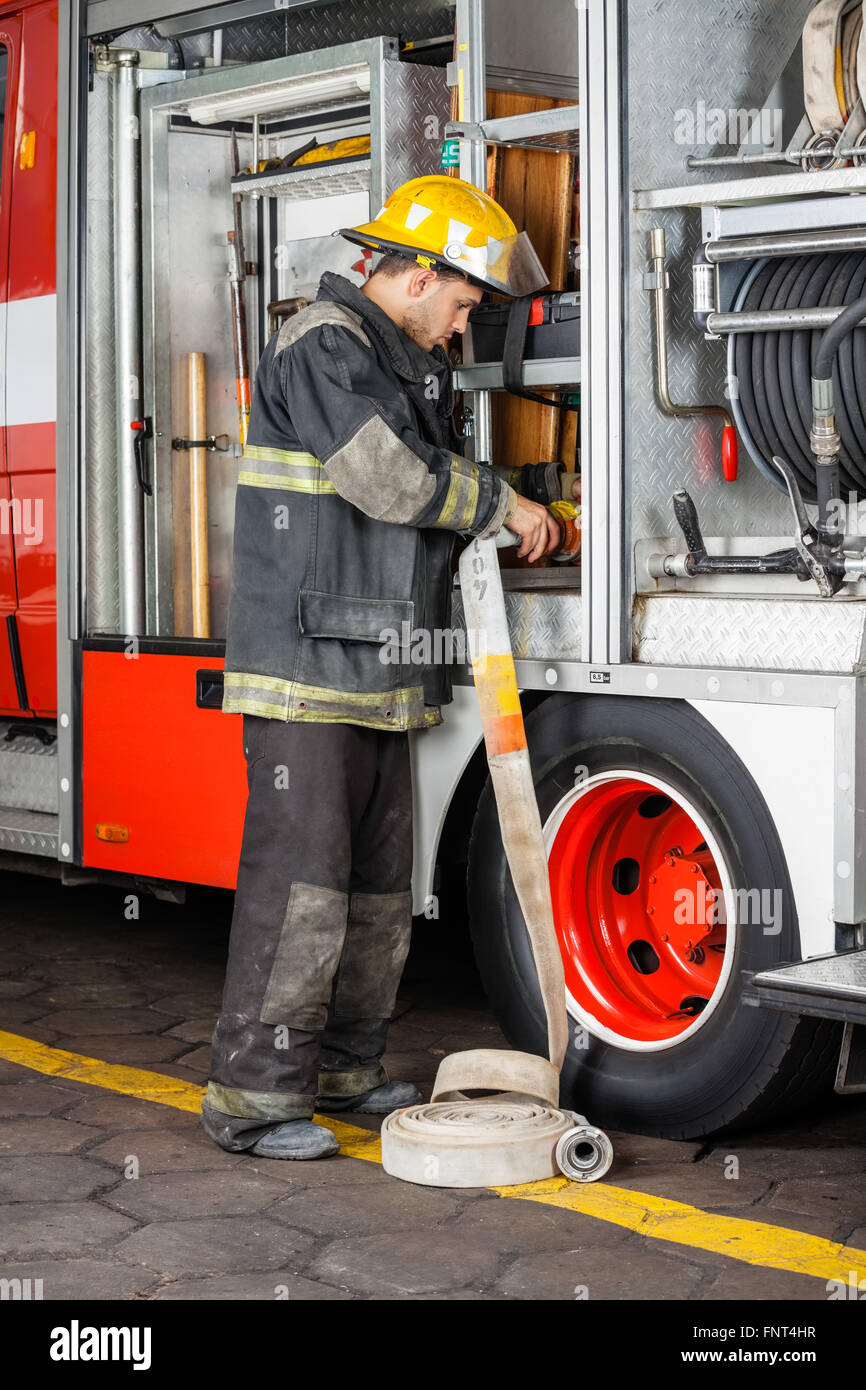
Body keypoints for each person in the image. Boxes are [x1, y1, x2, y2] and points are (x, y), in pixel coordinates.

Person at [201, 175, 564, 1159]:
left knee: (370, 889)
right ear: (415, 272)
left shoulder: (397, 361)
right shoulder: (324, 342)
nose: (458, 328)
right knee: (300, 886)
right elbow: (384, 477)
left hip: (377, 669)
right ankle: (254, 1097)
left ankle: (345, 1067)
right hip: (306, 669)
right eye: (459, 304)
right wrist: (500, 503)